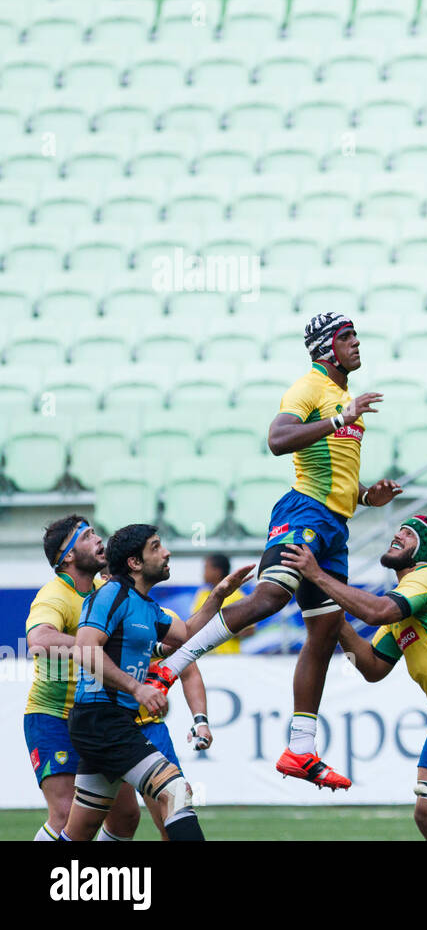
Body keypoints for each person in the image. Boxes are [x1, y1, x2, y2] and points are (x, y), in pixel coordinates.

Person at [145, 312, 403, 791]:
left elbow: (338, 471)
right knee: (269, 599)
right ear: (327, 347)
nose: (357, 344)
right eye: (348, 337)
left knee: (325, 632)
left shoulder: (342, 396)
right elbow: (277, 440)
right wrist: (340, 418)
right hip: (304, 513)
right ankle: (170, 666)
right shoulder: (308, 389)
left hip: (335, 525)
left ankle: (300, 749)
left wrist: (369, 496)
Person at [282, 515, 427, 842]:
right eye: (398, 530)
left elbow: (377, 611)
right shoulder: (403, 604)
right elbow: (371, 667)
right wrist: (331, 616)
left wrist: (318, 576)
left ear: (425, 549)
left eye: (408, 534)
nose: (397, 535)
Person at [61, 524, 250, 841]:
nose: (167, 552)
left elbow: (187, 636)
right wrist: (137, 687)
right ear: (135, 562)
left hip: (107, 722)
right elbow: (83, 649)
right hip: (101, 719)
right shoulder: (111, 595)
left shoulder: (145, 606)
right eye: (156, 546)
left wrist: (218, 594)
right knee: (175, 791)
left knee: (80, 831)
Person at [24, 515, 140, 841]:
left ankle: (95, 886)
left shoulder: (107, 590)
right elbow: (40, 641)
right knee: (64, 815)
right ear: (69, 556)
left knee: (125, 818)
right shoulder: (55, 595)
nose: (99, 539)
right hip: (53, 718)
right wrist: (90, 647)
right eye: (87, 536)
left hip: (98, 719)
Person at [135, 608, 213, 840]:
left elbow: (189, 672)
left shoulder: (164, 617)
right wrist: (141, 690)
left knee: (173, 814)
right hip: (104, 726)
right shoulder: (101, 612)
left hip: (149, 727)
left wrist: (201, 721)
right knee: (119, 820)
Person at [192, 554, 255, 654]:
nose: (203, 573)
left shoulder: (237, 596)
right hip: (203, 657)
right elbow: (193, 625)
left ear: (217, 571)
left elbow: (249, 631)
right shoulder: (202, 594)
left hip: (229, 659)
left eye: (206, 568)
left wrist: (220, 629)